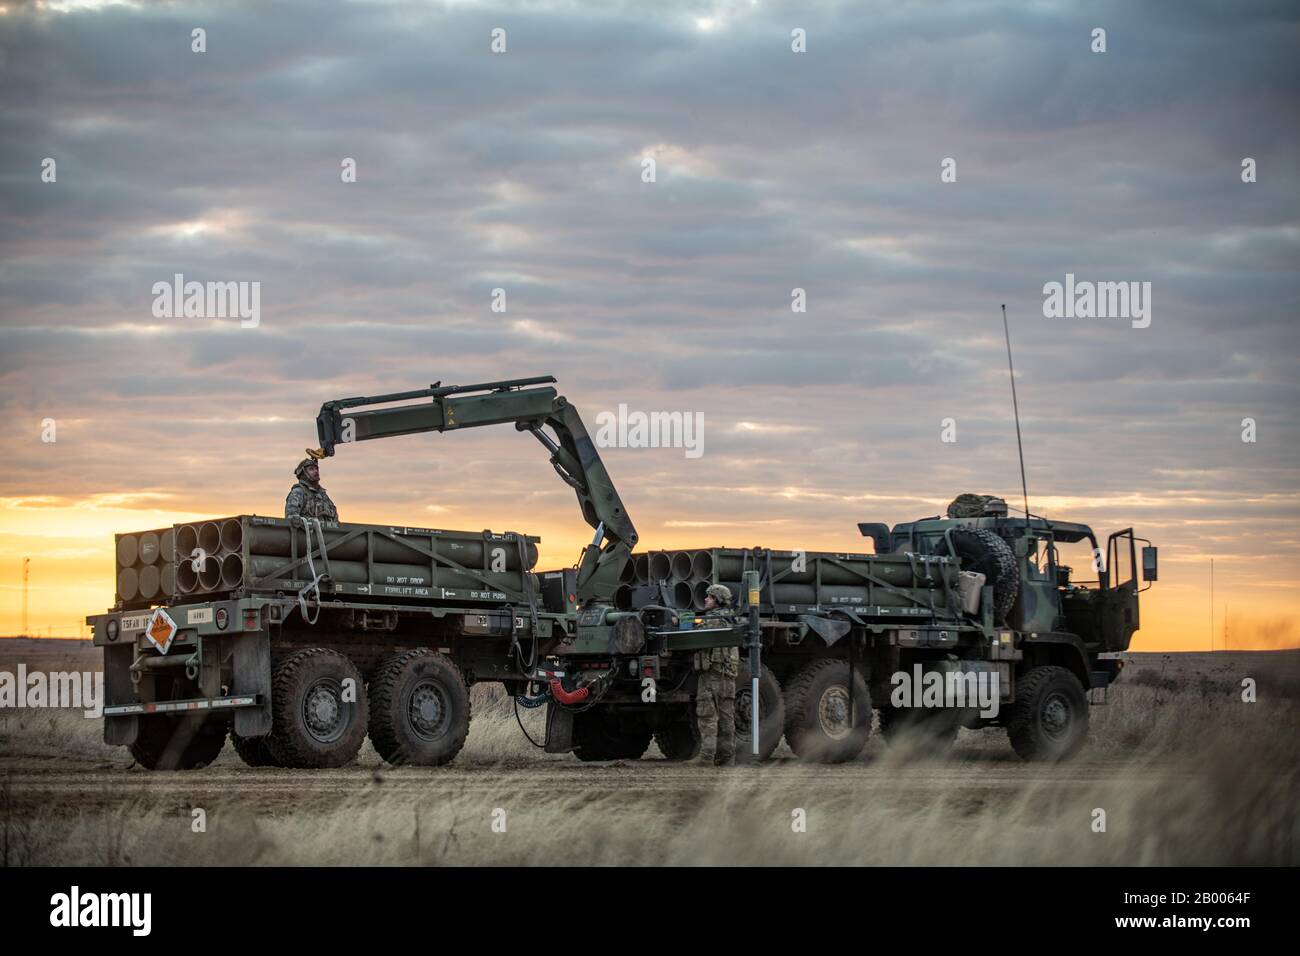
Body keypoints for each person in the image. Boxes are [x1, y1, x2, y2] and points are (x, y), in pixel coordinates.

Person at [692, 583, 739, 766]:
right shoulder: (731, 620)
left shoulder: (711, 621)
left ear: (718, 601)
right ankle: (727, 757)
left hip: (711, 676)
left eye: (710, 597)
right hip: (728, 677)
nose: (706, 599)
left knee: (707, 716)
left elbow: (693, 639)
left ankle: (706, 757)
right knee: (727, 717)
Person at [284, 450, 339, 522]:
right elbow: (291, 519)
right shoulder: (298, 492)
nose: (316, 471)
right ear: (303, 474)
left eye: (316, 469)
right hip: (305, 532)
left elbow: (335, 520)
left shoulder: (323, 496)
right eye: (311, 469)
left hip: (325, 533)